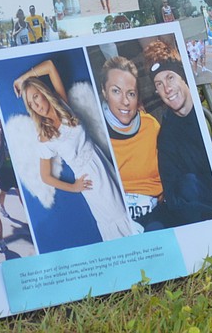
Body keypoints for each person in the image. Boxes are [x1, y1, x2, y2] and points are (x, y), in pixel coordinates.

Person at [14, 58, 132, 241]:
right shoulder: (45, 136)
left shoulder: (63, 104)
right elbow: (45, 177)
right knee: (118, 217)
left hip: (102, 162)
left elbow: (50, 66)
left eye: (35, 96)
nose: (35, 105)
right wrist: (74, 187)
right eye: (30, 104)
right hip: (90, 181)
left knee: (129, 208)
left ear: (43, 92)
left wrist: (23, 79)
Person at [144, 41, 212, 225]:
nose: (167, 89)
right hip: (206, 209)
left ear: (183, 77)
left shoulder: (211, 114)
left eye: (170, 78)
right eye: (159, 84)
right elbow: (174, 194)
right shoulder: (166, 137)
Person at [98, 55, 171, 230]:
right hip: (114, 219)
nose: (125, 101)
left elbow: (169, 171)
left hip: (153, 216)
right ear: (104, 92)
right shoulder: (96, 131)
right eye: (116, 91)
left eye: (130, 93)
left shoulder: (150, 126)